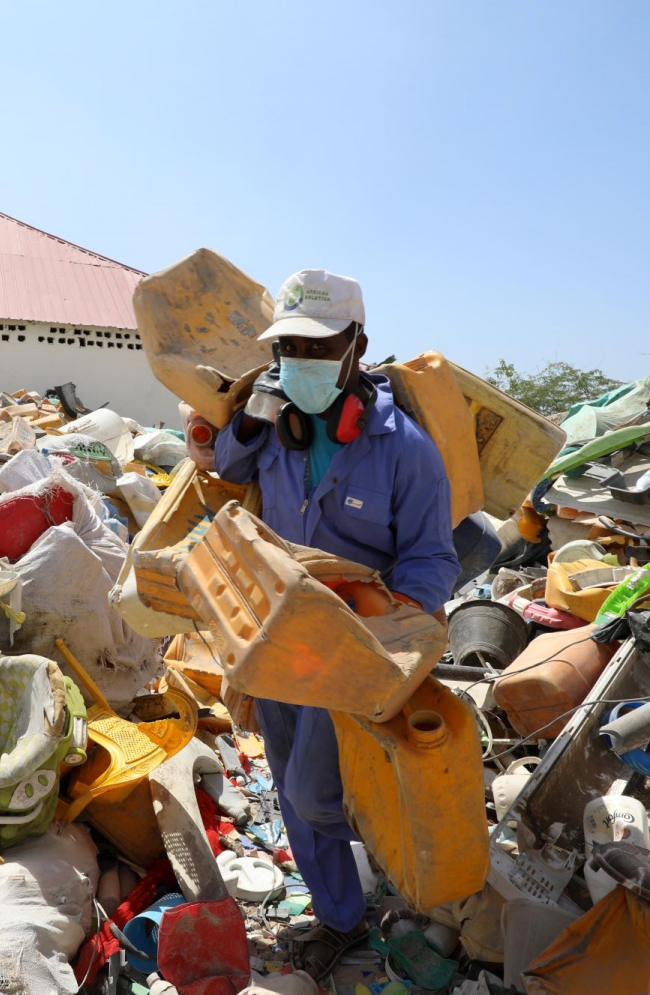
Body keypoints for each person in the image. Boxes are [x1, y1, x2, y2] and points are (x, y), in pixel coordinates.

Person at [212, 269, 460, 978]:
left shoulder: (405, 449)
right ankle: (340, 914)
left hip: (355, 653)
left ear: (358, 347)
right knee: (291, 779)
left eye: (320, 348)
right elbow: (228, 464)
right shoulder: (276, 424)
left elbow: (430, 558)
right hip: (279, 641)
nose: (303, 362)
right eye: (289, 346)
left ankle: (367, 897)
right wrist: (252, 416)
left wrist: (391, 633)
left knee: (318, 792)